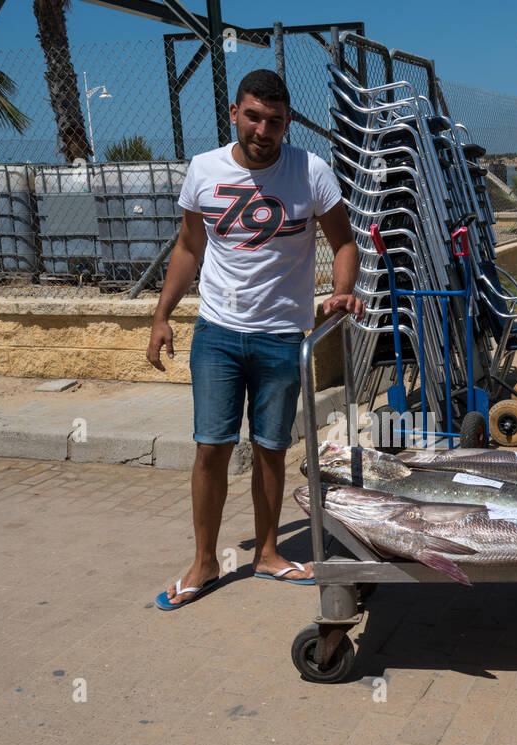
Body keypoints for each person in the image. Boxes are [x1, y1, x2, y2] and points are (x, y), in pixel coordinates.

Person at [147, 70, 363, 609]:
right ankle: (203, 561)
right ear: (234, 114)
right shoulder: (203, 169)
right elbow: (188, 249)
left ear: (287, 122)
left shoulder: (310, 172)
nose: (263, 129)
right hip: (217, 333)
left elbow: (343, 242)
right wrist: (161, 315)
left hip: (281, 336)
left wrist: (341, 291)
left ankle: (266, 553)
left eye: (274, 120)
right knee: (211, 448)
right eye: (253, 117)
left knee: (270, 450)